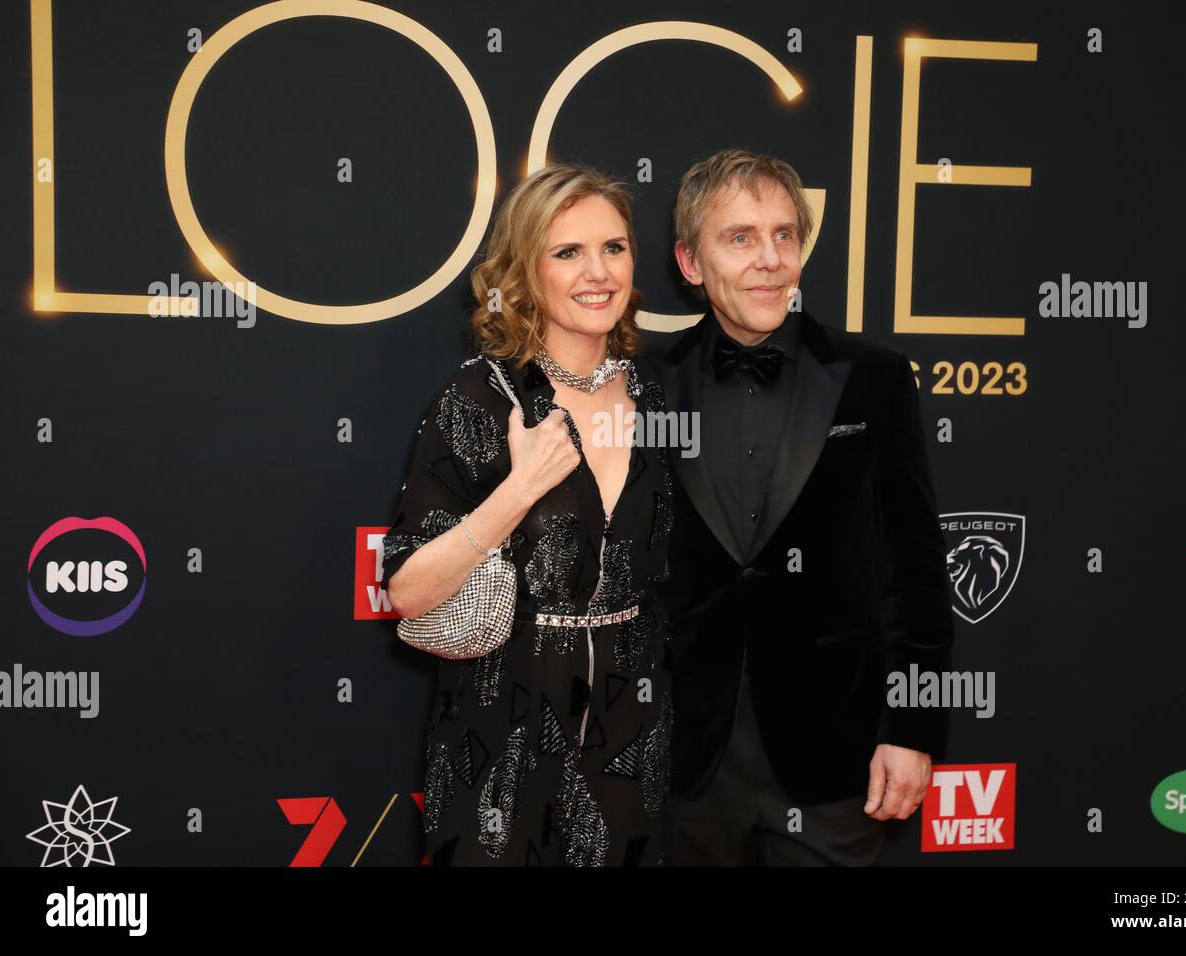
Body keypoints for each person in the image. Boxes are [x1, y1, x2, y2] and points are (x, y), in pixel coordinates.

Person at [643, 148, 955, 865]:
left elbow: (915, 571)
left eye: (785, 235)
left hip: (834, 757)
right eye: (741, 237)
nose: (771, 259)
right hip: (683, 758)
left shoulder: (872, 377)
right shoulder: (643, 385)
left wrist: (914, 729)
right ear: (691, 262)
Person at [382, 164, 674, 866]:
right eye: (567, 252)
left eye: (614, 247)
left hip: (633, 730)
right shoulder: (480, 402)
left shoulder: (663, 400)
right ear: (522, 273)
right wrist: (517, 491)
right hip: (499, 728)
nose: (597, 272)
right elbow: (408, 593)